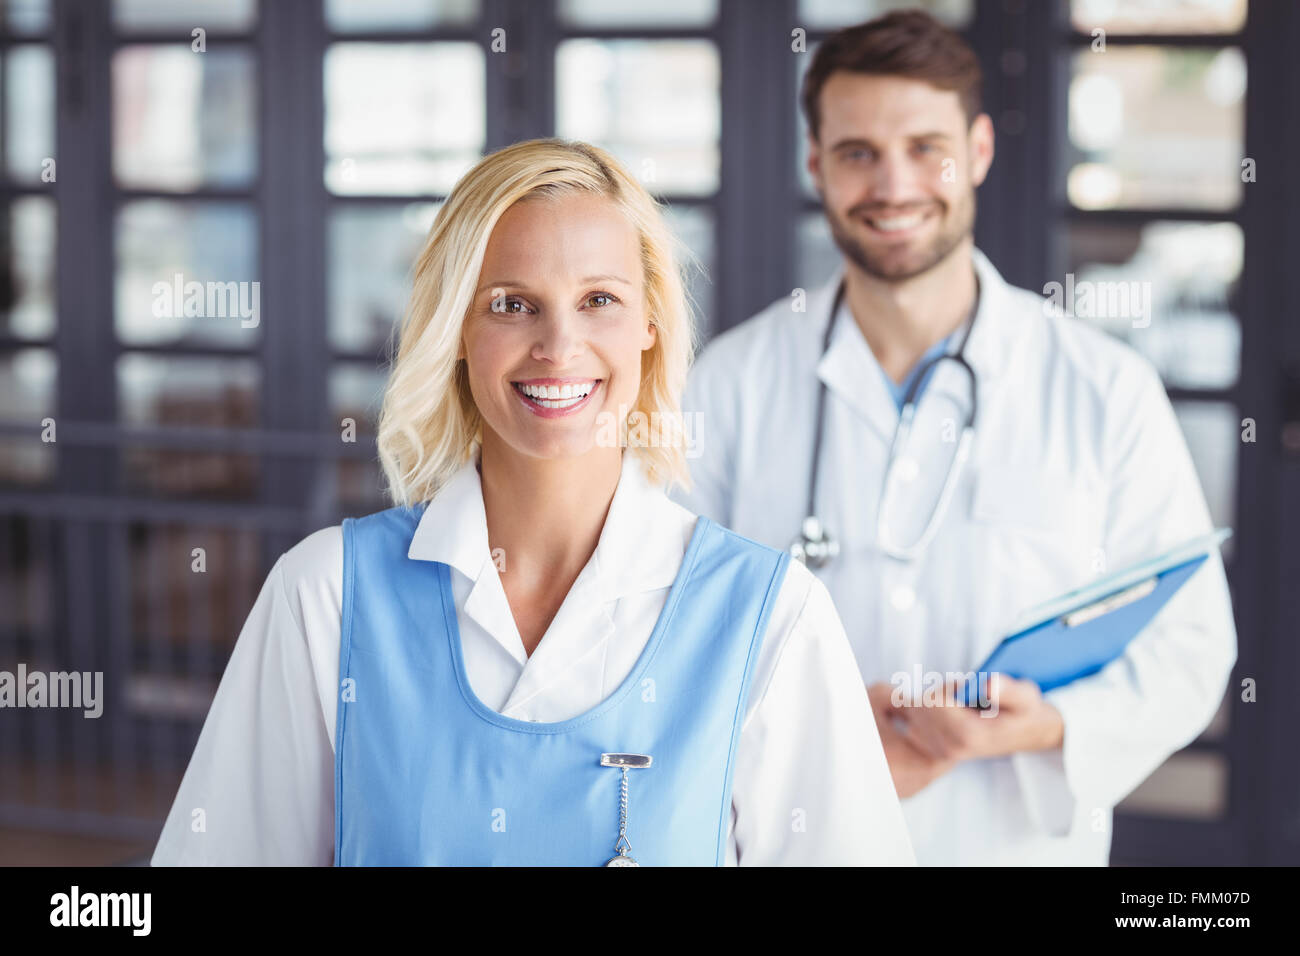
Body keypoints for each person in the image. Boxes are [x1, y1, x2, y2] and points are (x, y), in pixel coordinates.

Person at [151, 138, 915, 866]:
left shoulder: (773, 619)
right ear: (454, 327)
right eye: (512, 304)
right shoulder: (325, 597)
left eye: (599, 300)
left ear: (648, 325)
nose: (558, 345)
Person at [673, 12, 1237, 866]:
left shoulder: (1104, 390)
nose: (894, 186)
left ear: (976, 152)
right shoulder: (730, 384)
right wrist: (805, 722)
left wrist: (1049, 725)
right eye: (858, 152)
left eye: (925, 149)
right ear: (816, 165)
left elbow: (1192, 646)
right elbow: (667, 635)